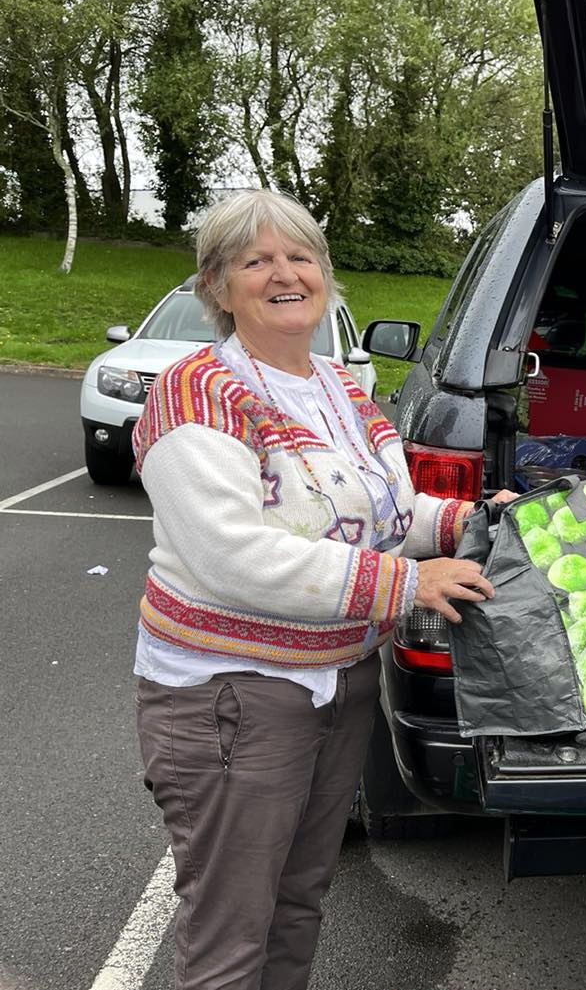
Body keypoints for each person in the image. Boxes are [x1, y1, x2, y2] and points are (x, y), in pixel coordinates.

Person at [131, 188, 513, 990]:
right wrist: (407, 581)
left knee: (299, 901)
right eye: (256, 260)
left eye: (300, 256)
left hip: (339, 684)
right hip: (236, 697)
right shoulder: (197, 392)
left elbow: (382, 510)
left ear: (325, 274)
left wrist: (469, 521)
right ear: (216, 285)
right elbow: (233, 554)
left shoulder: (339, 387)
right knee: (231, 934)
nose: (284, 273)